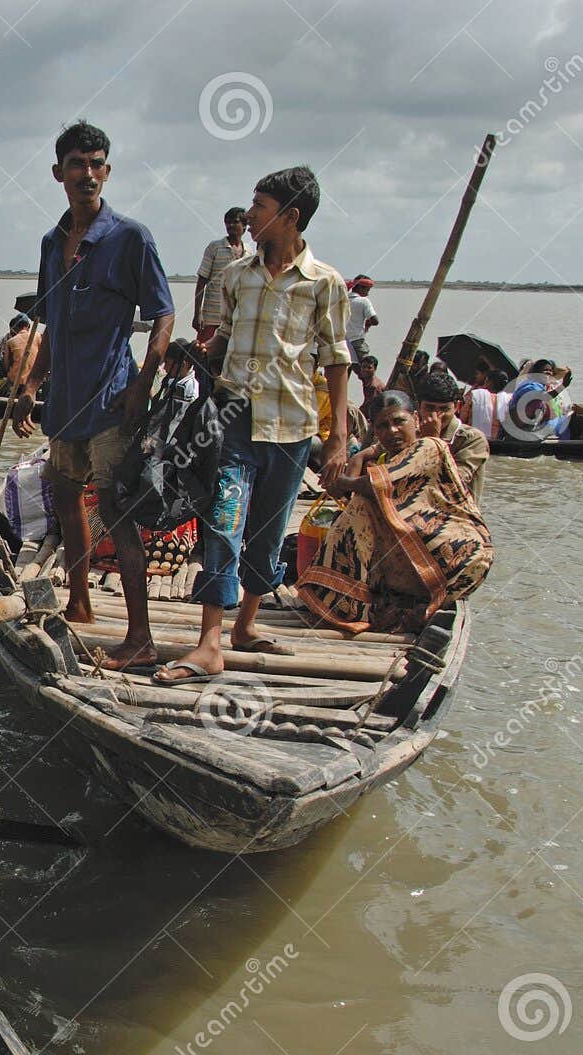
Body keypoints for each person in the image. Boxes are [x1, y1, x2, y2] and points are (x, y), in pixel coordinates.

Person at [156, 165, 349, 684]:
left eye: (259, 207)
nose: (249, 215)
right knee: (223, 521)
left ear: (291, 217)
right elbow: (222, 344)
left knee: (266, 532)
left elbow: (335, 360)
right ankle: (209, 643)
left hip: (292, 430)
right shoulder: (237, 274)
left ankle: (246, 625)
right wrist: (196, 354)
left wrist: (339, 439)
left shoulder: (325, 283)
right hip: (234, 421)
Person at [8, 120, 174, 671]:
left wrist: (142, 383)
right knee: (61, 488)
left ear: (107, 171)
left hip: (111, 400)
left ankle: (141, 638)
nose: (87, 174)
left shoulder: (131, 237)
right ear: (59, 173)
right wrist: (31, 385)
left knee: (115, 508)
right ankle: (79, 600)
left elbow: (162, 314)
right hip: (65, 402)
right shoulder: (53, 244)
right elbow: (51, 323)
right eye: (77, 164)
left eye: (96, 163)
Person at [298, 391, 492, 633]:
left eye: (399, 422)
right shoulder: (390, 455)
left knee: (363, 503)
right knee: (364, 505)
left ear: (415, 419)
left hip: (461, 558)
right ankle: (356, 597)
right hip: (420, 554)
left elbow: (377, 484)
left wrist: (343, 481)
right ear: (375, 431)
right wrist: (361, 455)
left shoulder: (430, 445)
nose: (392, 431)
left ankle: (345, 598)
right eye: (383, 426)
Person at [416, 368, 489, 502]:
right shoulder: (412, 432)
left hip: (458, 519)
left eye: (444, 409)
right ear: (419, 406)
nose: (436, 415)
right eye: (430, 408)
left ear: (457, 407)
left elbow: (454, 482)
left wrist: (432, 441)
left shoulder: (472, 439)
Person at [192, 207, 252, 343]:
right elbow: (202, 281)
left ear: (244, 226)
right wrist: (198, 314)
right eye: (227, 222)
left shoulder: (248, 251)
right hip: (212, 318)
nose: (230, 226)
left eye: (235, 222)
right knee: (204, 356)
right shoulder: (215, 247)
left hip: (236, 318)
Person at [0, 312, 41, 388]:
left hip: (16, 381)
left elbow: (6, 365)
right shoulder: (37, 336)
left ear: (16, 327)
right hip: (34, 380)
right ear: (28, 326)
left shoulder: (10, 342)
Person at [345, 275, 379, 367]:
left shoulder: (343, 300)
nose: (367, 293)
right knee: (367, 368)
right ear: (360, 287)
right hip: (356, 341)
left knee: (345, 369)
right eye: (367, 290)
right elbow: (375, 321)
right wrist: (368, 322)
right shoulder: (363, 301)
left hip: (341, 342)